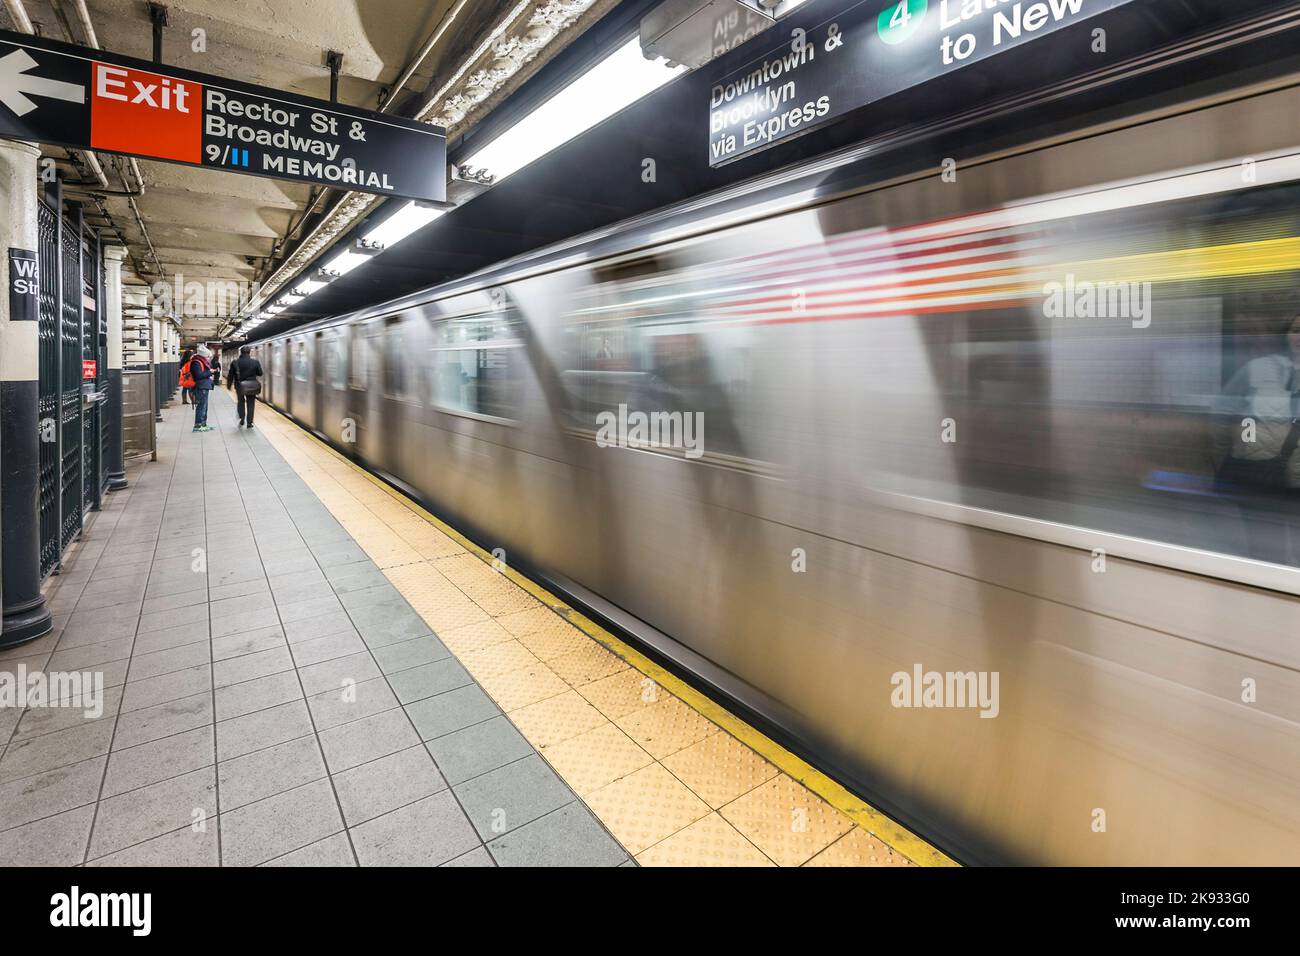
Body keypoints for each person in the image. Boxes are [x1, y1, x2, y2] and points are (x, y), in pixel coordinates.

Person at [231, 345, 264, 428]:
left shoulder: (235, 362)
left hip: (239, 386)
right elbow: (260, 373)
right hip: (251, 386)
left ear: (241, 352)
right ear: (249, 352)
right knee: (251, 404)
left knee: (240, 402)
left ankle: (242, 418)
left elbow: (231, 374)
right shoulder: (255, 362)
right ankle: (249, 422)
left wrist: (228, 385)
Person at [190, 344, 215, 432]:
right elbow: (198, 375)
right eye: (207, 356)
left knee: (205, 406)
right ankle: (198, 425)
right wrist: (209, 372)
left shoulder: (200, 361)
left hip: (204, 386)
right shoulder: (196, 362)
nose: (208, 358)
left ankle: (203, 424)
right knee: (201, 406)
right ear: (203, 355)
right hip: (201, 387)